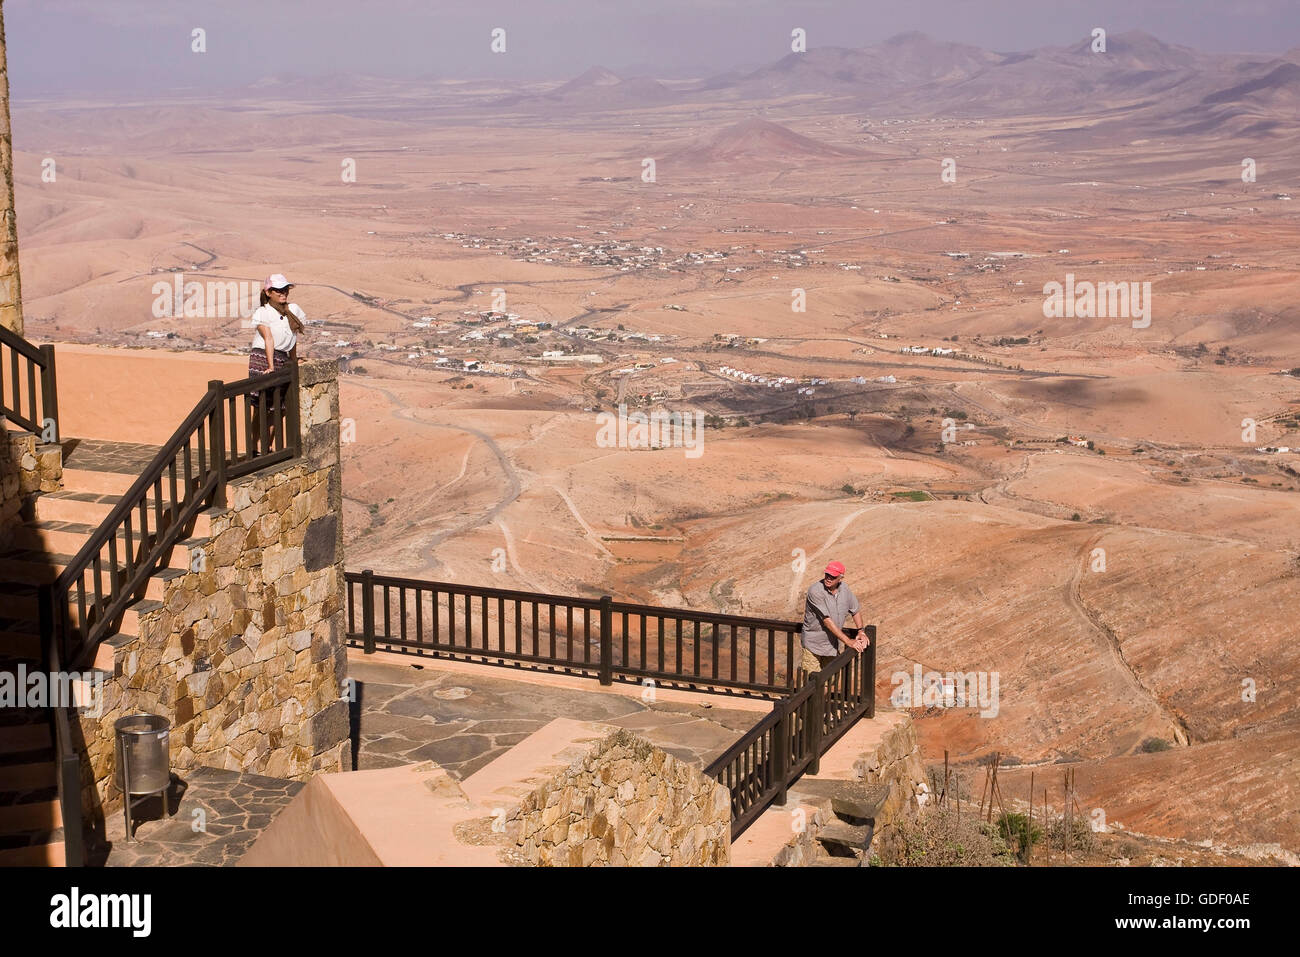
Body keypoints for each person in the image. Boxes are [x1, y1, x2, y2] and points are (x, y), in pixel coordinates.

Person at [246, 273, 305, 450]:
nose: (283, 292)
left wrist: (293, 361)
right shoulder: (263, 312)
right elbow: (268, 339)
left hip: (282, 359)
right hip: (263, 358)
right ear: (269, 292)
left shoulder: (293, 311)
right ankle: (255, 447)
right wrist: (271, 366)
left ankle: (267, 447)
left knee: (280, 407)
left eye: (285, 289)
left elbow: (293, 337)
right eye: (278, 289)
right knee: (261, 407)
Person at [800, 560, 870, 677]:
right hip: (813, 644)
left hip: (831, 645)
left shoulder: (845, 589)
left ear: (840, 578)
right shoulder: (815, 591)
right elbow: (826, 621)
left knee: (829, 680)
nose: (828, 578)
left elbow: (855, 610)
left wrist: (861, 631)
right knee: (811, 683)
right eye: (827, 574)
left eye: (833, 576)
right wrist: (848, 641)